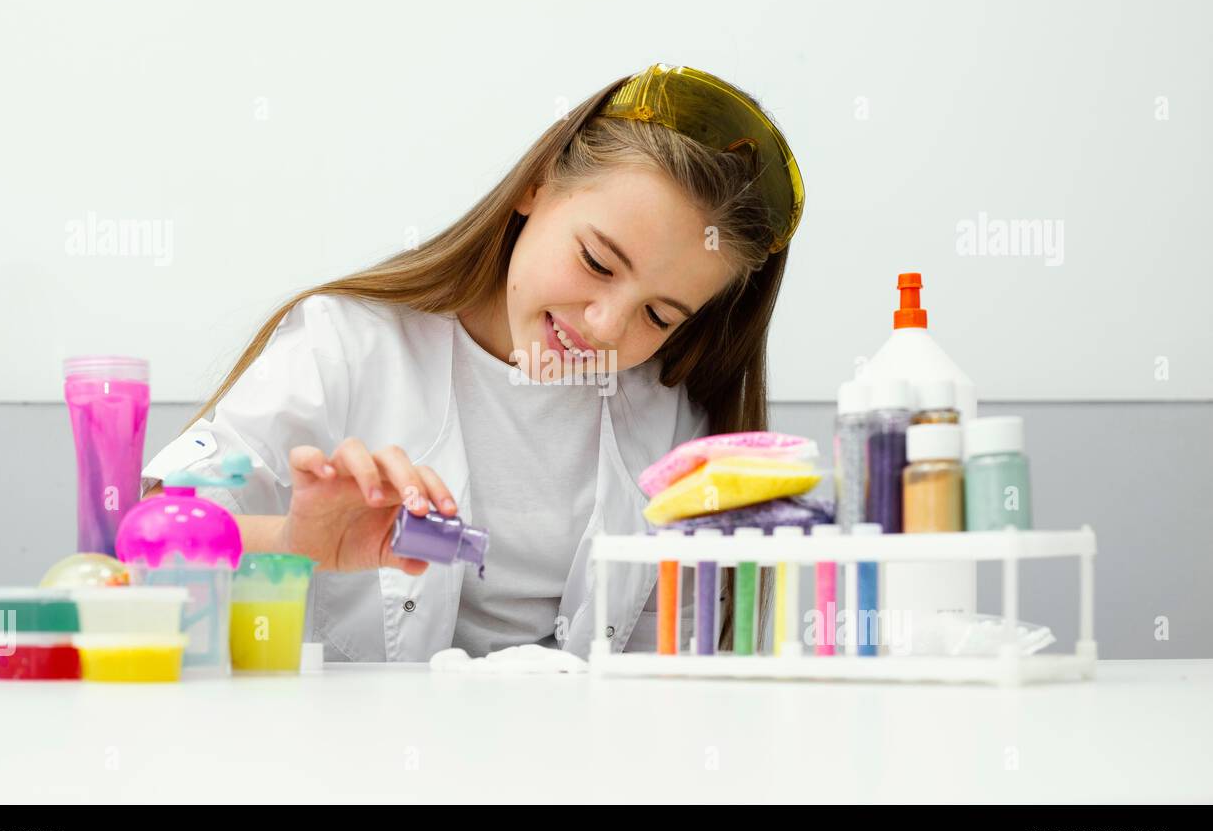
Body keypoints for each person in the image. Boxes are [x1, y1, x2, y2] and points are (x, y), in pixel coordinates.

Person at [141, 63, 805, 662]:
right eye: (598, 262)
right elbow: (145, 535)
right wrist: (292, 539)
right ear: (537, 188)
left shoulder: (676, 435)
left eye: (659, 316)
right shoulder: (342, 347)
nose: (605, 325)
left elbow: (669, 690)